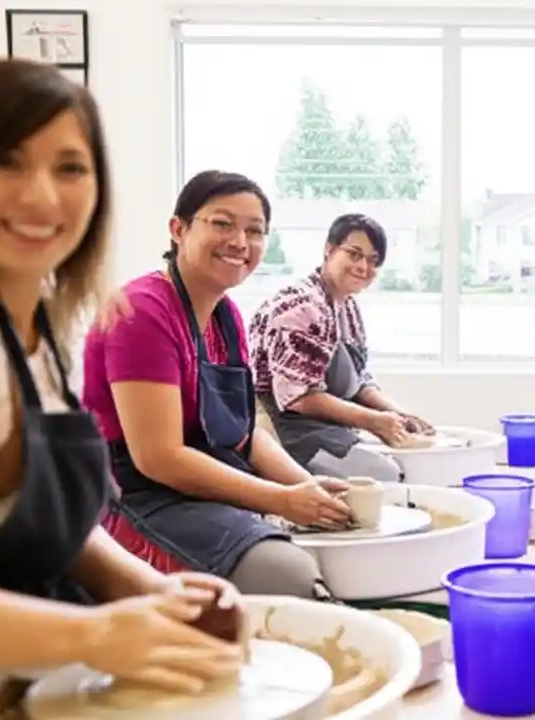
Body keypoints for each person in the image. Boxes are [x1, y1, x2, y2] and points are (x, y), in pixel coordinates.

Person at [0, 59, 243, 711]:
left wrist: (150, 591)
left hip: (41, 674)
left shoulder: (41, 324)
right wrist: (97, 631)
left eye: (70, 168)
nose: (43, 196)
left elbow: (50, 524)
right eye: (7, 161)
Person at [83, 170, 353, 599]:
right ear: (179, 229)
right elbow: (158, 459)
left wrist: (305, 487)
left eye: (254, 230)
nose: (239, 242)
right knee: (288, 574)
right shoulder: (141, 311)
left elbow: (246, 436)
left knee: (339, 534)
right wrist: (280, 501)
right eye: (222, 223)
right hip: (137, 500)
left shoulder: (226, 317)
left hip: (204, 483)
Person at [248, 212, 431, 480]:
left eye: (373, 260)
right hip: (288, 429)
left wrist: (399, 414)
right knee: (384, 475)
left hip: (325, 424)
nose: (363, 267)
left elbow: (360, 382)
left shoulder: (346, 306)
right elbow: (298, 398)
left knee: (409, 458)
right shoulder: (300, 306)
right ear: (329, 250)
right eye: (354, 254)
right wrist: (372, 421)